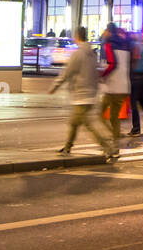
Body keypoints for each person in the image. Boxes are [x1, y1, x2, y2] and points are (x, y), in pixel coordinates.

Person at [49, 26, 112, 158]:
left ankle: (106, 147)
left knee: (85, 123)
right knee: (75, 123)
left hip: (81, 94)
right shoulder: (92, 54)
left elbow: (67, 72)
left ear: (77, 36)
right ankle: (67, 147)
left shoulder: (78, 54)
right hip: (90, 93)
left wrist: (55, 86)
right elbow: (96, 73)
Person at [98, 24, 131, 157]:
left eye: (105, 31)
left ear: (108, 32)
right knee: (114, 117)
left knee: (99, 114)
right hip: (124, 86)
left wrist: (102, 76)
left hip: (112, 87)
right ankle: (115, 141)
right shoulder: (125, 45)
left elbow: (112, 64)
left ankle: (114, 139)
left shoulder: (108, 45)